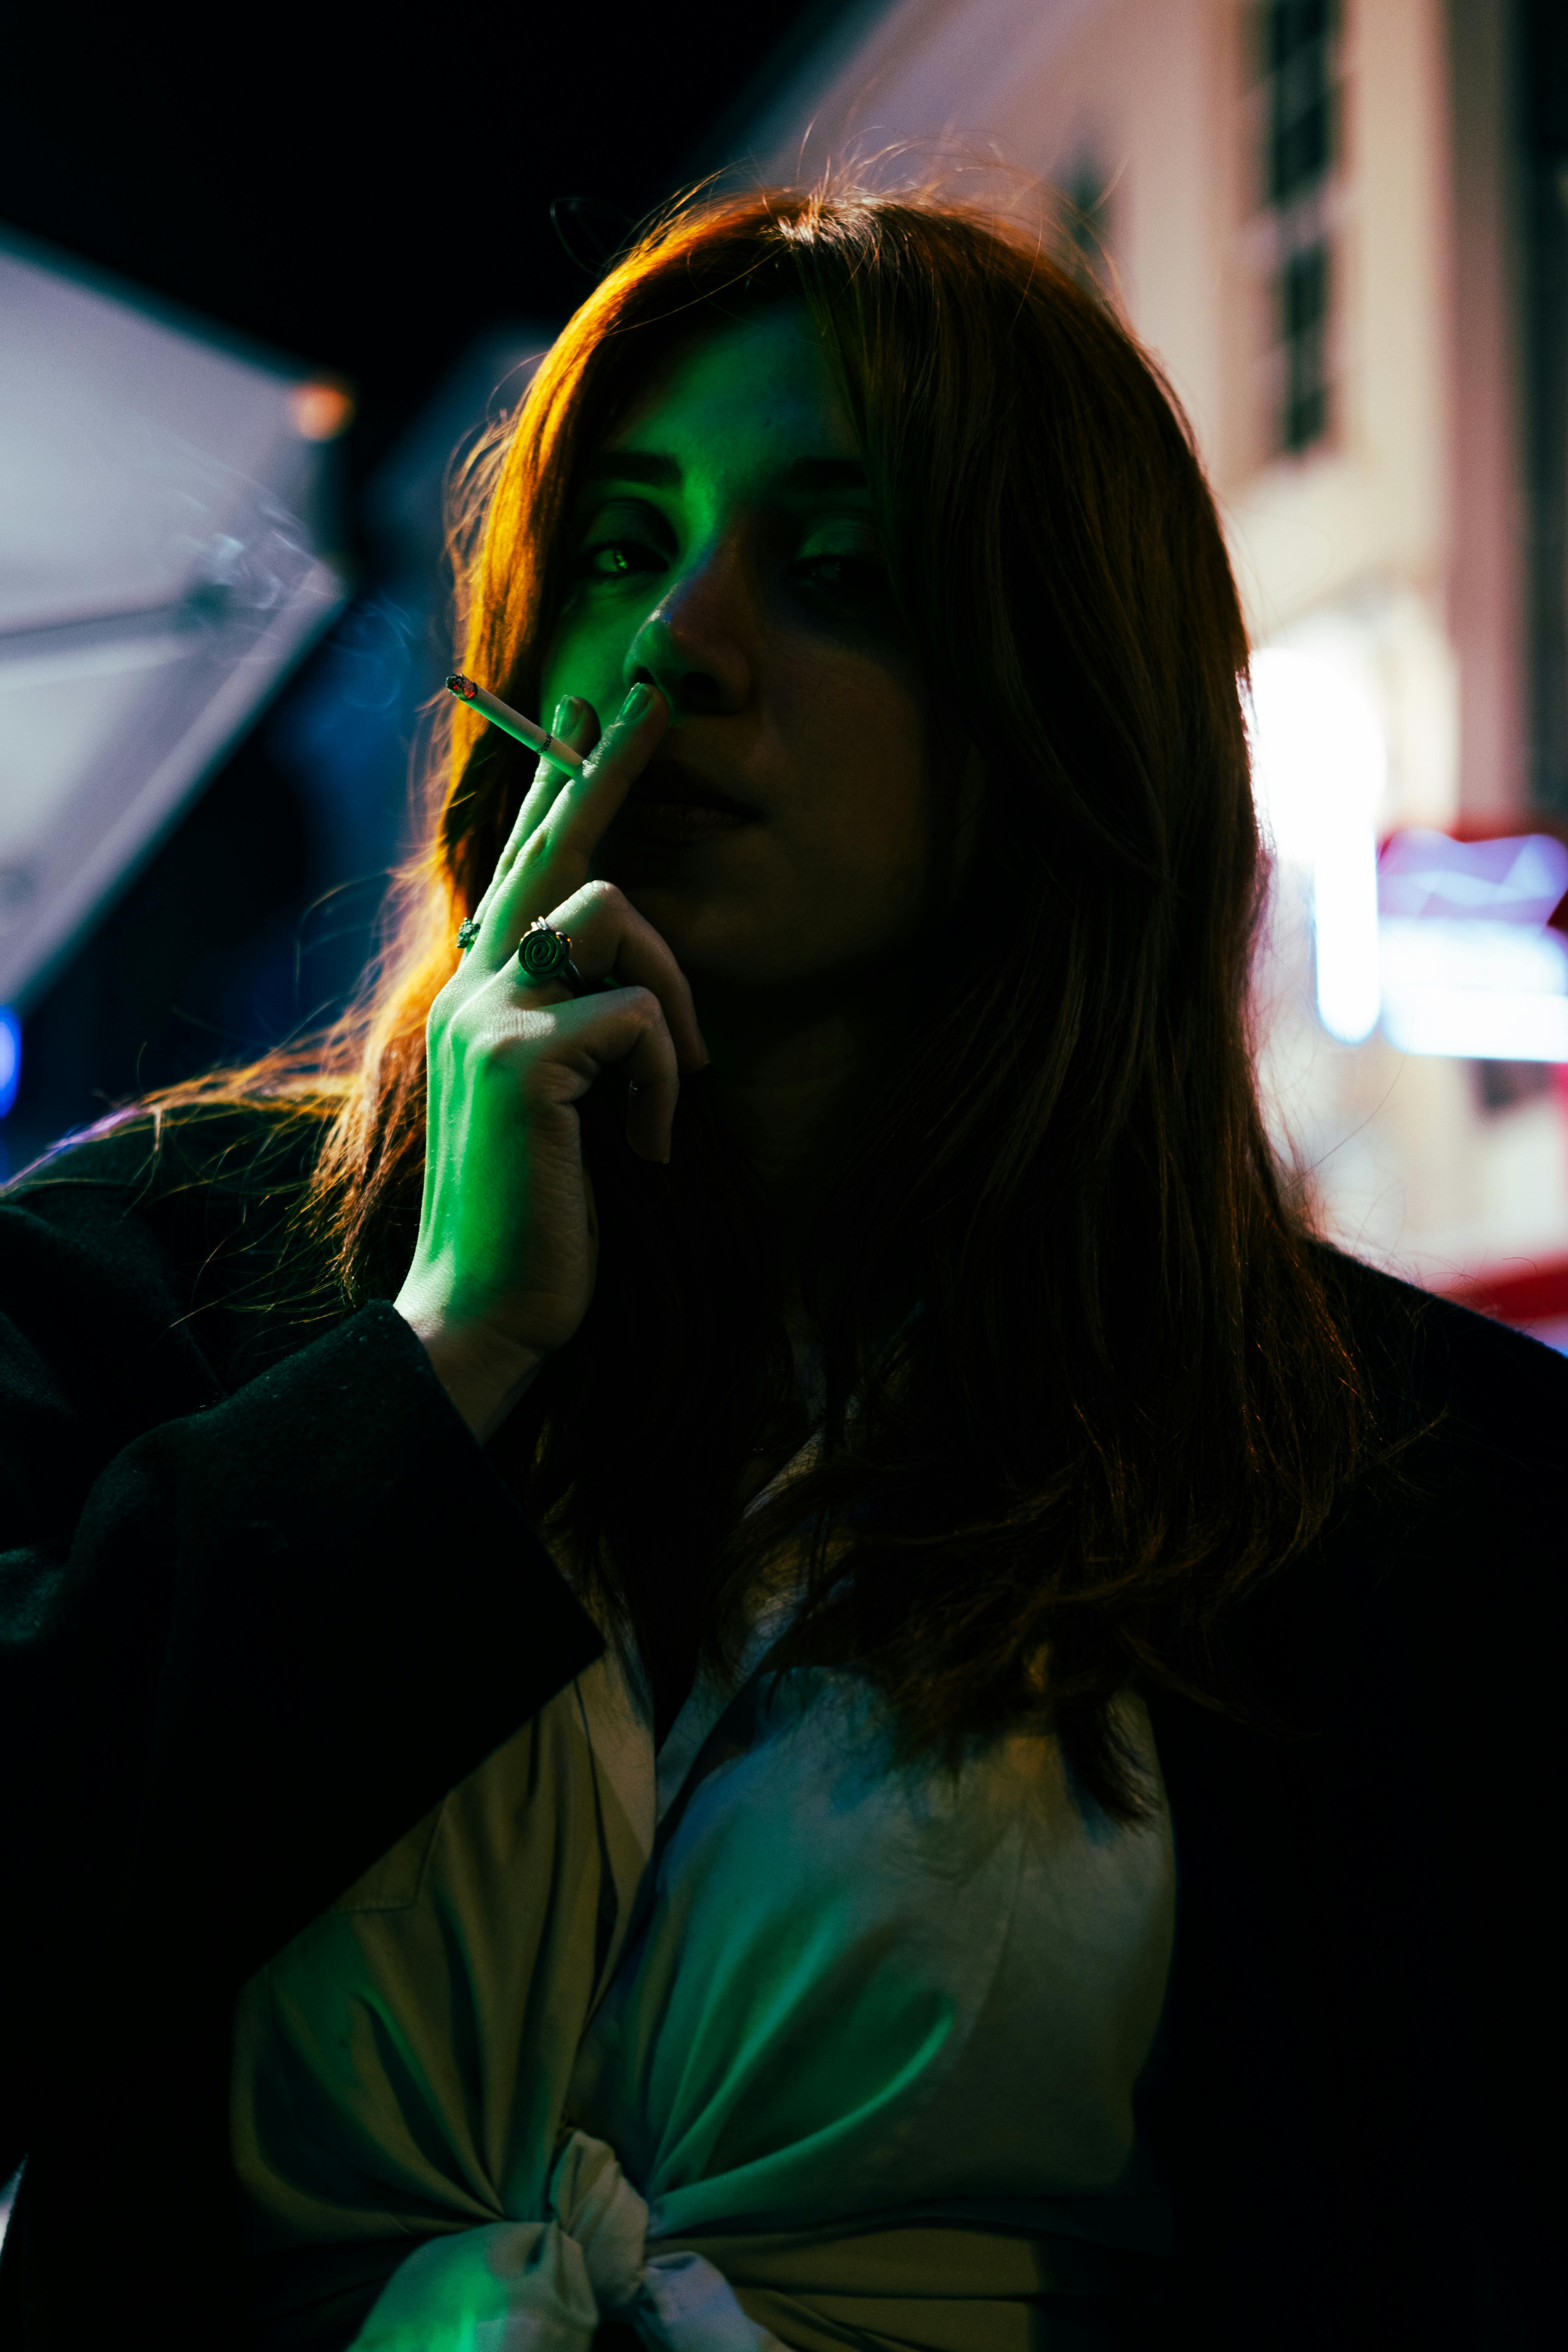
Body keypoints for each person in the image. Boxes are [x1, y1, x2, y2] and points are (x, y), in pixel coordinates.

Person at [0, 182, 1560, 2352]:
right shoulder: (159, 1279)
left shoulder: (1400, 1484)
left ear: (1061, 720)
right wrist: (442, 1362)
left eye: (837, 575)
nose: (678, 646)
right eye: (621, 547)